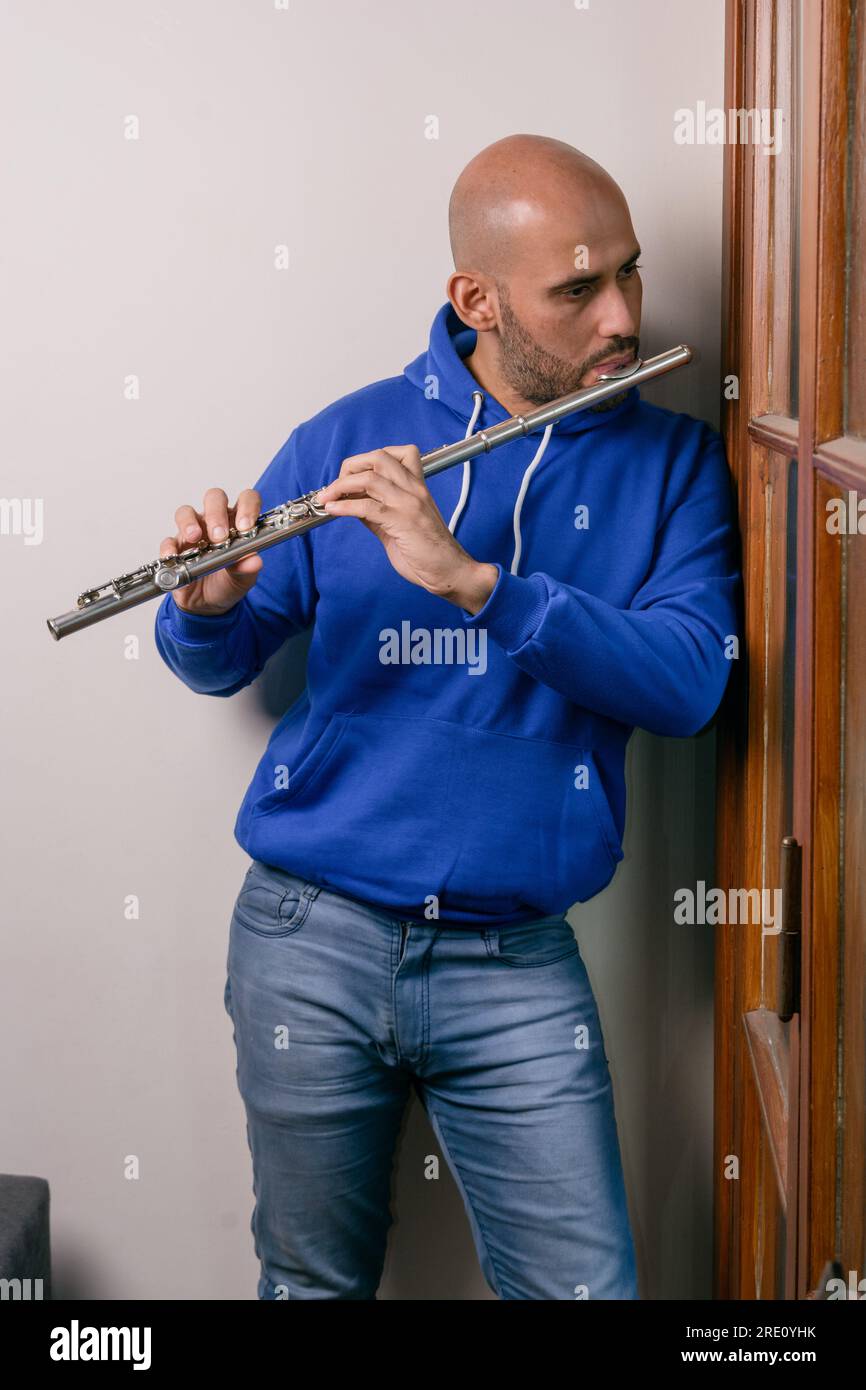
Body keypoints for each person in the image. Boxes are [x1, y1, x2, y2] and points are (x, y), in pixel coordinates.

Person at [154, 134, 741, 1300]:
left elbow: (688, 684)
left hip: (514, 958)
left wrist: (478, 584)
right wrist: (202, 609)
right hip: (309, 938)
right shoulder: (352, 436)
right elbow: (221, 662)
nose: (621, 317)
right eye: (577, 289)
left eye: (628, 272)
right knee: (308, 1284)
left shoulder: (673, 464)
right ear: (476, 301)